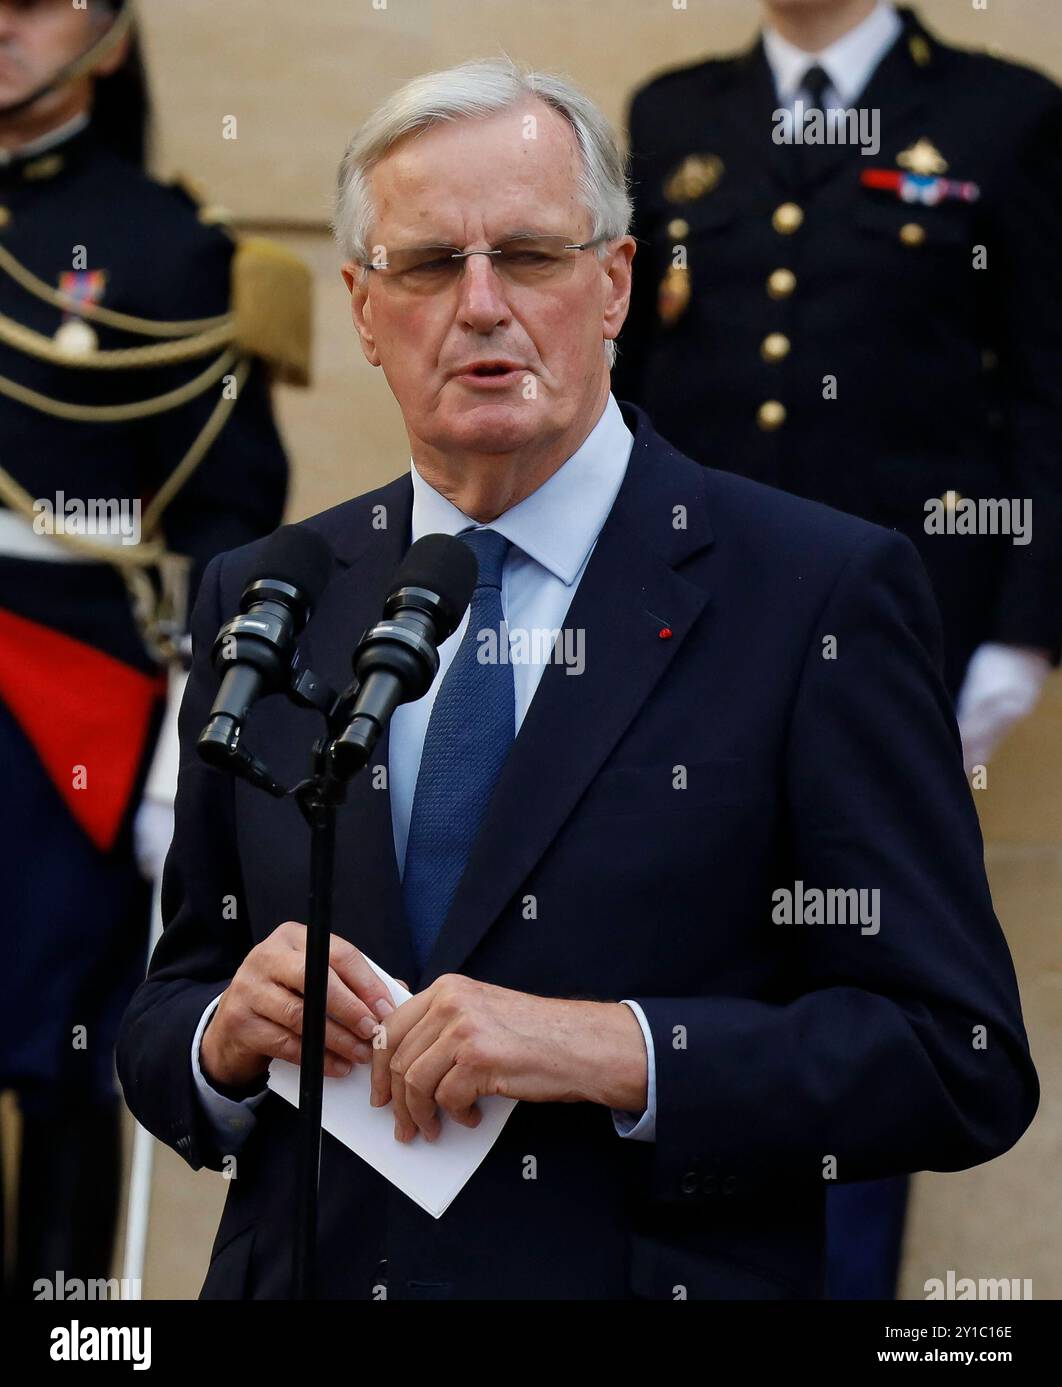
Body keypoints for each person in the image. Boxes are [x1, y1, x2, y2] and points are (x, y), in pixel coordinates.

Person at [117, 57, 1036, 1301]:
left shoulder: (813, 592)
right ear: (363, 305)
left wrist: (622, 1048)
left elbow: (953, 1056)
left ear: (615, 284)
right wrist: (222, 1038)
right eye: (431, 264)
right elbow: (171, 1001)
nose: (482, 304)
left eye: (533, 256)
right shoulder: (270, 592)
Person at [612, 0, 1062, 1297]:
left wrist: (1019, 638)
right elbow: (625, 379)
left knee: (867, 1002)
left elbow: (1046, 386)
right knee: (658, 980)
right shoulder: (674, 113)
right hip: (675, 638)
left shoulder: (1002, 113)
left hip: (892, 656)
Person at [0, 0, 306, 1295]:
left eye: (35, 5)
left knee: (60, 1051)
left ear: (110, 39)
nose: (2, 27)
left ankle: (65, 1320)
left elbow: (229, 515)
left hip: (58, 695)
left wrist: (195, 726)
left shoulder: (172, 246)